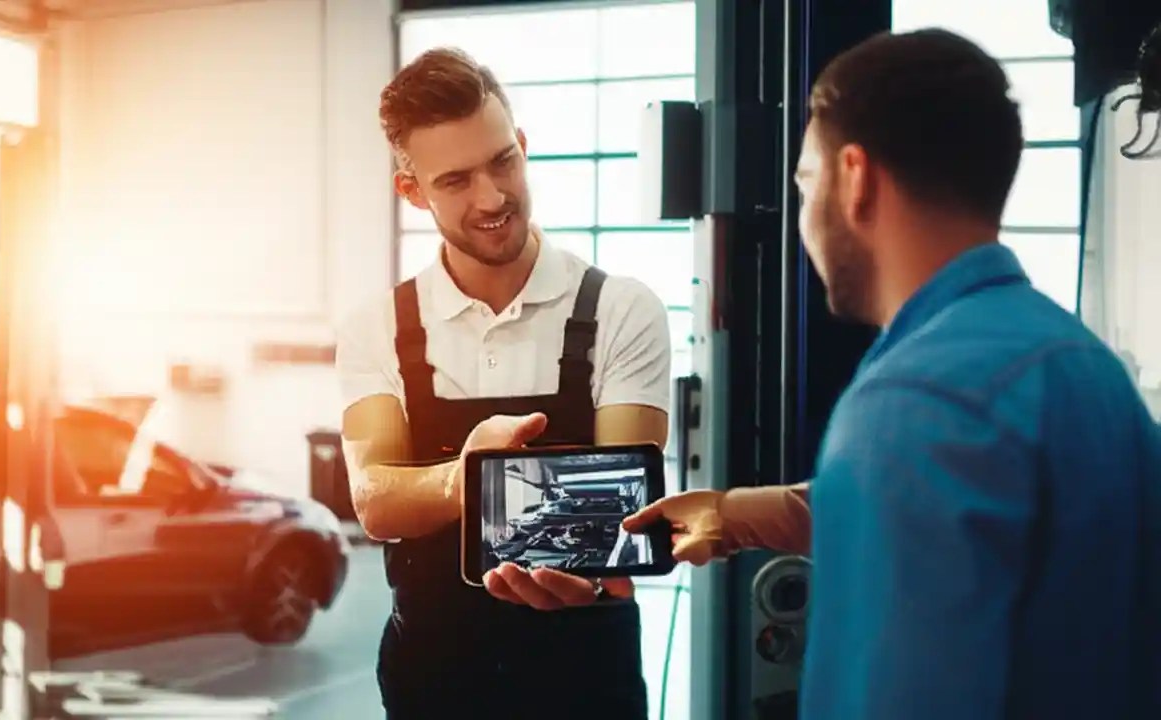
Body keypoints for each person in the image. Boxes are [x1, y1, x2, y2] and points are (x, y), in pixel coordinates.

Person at [625, 28, 1161, 720]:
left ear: (855, 178)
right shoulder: (1085, 370)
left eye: (804, 183)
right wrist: (730, 516)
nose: (804, 219)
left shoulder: (911, 407)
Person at [334, 47, 672, 719]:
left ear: (522, 144)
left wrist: (589, 567)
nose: (492, 197)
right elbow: (375, 501)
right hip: (433, 679)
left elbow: (624, 510)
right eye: (456, 180)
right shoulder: (378, 327)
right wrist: (467, 478)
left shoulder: (621, 309)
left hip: (586, 674)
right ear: (413, 191)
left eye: (503, 161)